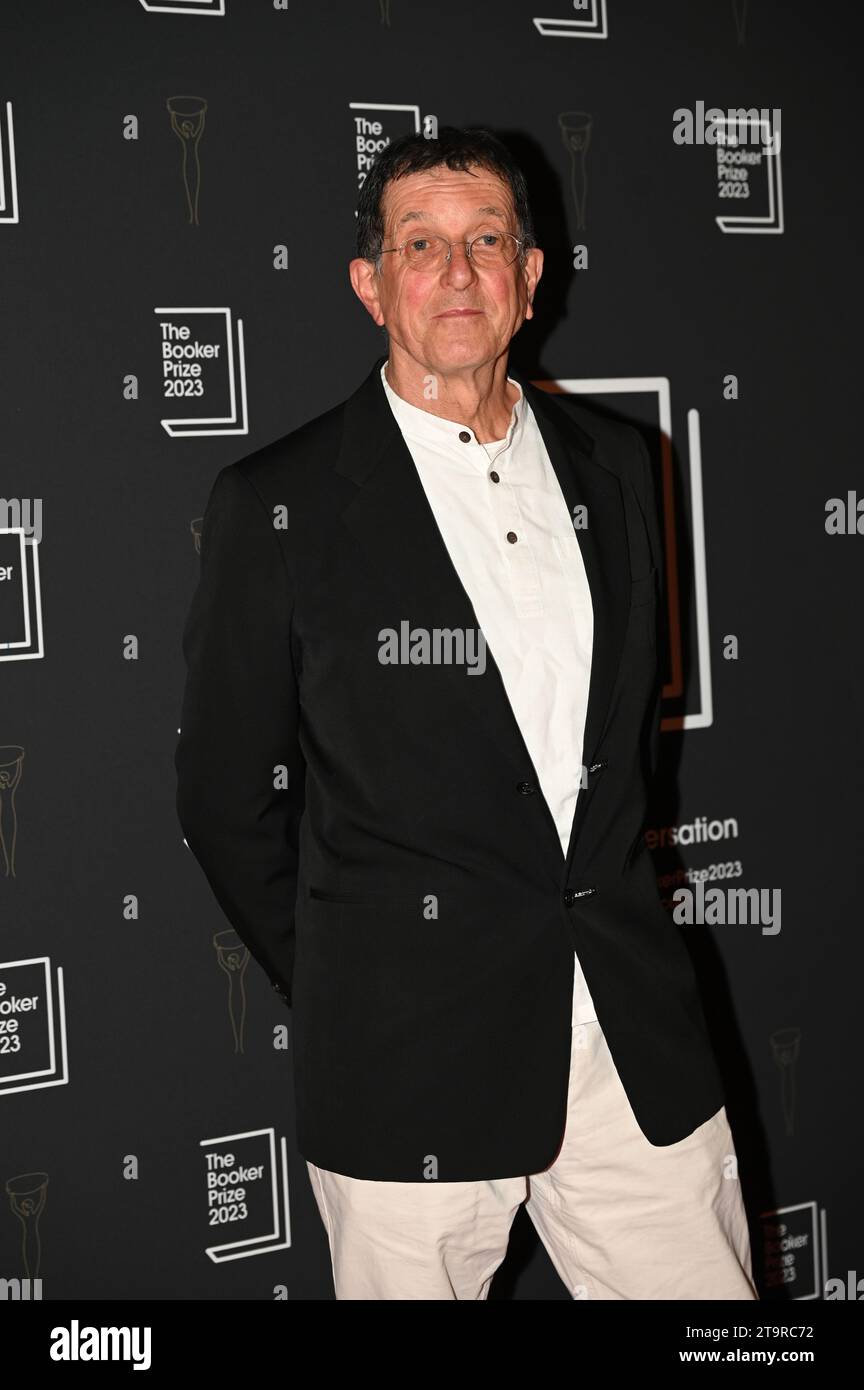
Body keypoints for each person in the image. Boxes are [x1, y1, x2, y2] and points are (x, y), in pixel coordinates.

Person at [175, 126, 757, 1301]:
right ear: (369, 282)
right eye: (420, 244)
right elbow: (227, 800)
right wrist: (359, 978)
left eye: (487, 241)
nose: (456, 271)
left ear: (529, 278)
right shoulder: (278, 504)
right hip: (405, 1065)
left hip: (625, 1046)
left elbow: (614, 755)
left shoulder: (618, 466)